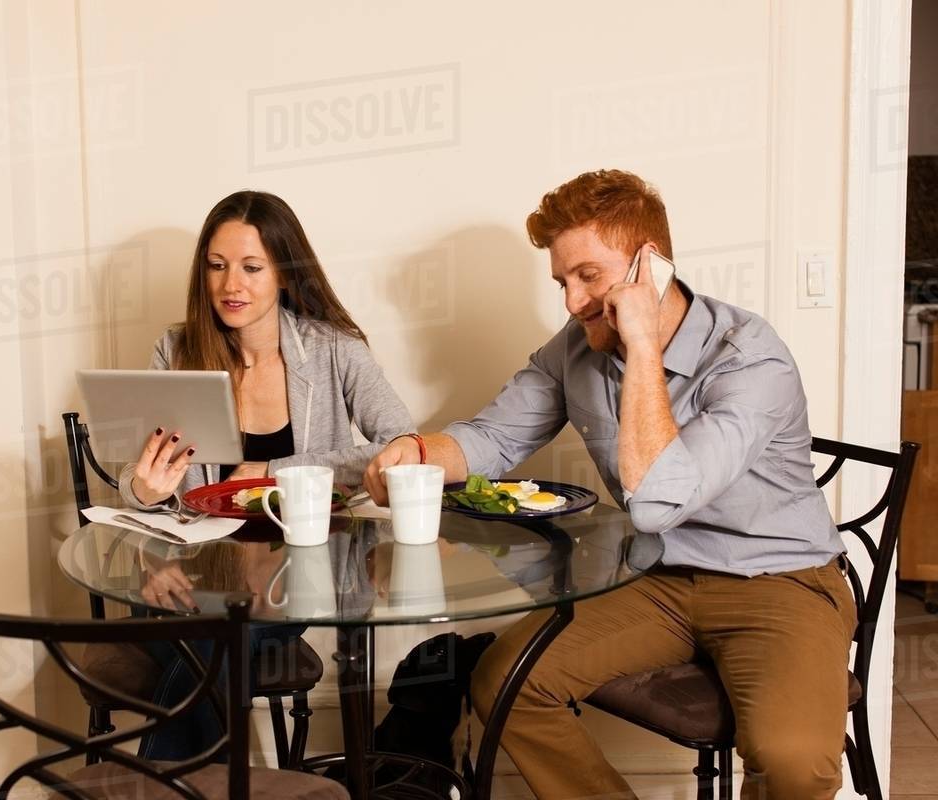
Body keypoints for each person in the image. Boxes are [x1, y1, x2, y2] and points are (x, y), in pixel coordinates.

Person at [363, 169, 855, 799]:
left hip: (780, 580)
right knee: (505, 683)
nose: (571, 302)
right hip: (656, 580)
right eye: (562, 282)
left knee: (791, 760)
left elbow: (657, 499)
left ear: (650, 266)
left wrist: (643, 344)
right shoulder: (573, 350)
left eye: (588, 276)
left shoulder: (750, 356)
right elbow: (493, 437)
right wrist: (417, 449)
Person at [119, 189, 413, 509]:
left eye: (252, 268)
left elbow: (403, 447)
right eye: (217, 266)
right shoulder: (173, 350)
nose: (231, 285)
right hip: (206, 555)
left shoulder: (335, 348)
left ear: (284, 274)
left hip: (318, 549)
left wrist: (274, 473)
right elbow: (135, 474)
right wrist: (144, 492)